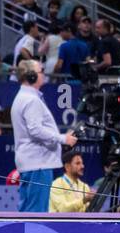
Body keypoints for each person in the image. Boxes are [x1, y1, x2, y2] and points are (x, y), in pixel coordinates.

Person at [11, 59, 77, 213]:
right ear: (31, 76)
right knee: (36, 211)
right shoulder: (31, 100)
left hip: (31, 163)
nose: (44, 75)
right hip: (37, 164)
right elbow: (35, 130)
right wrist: (63, 139)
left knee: (27, 210)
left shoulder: (24, 97)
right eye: (41, 71)